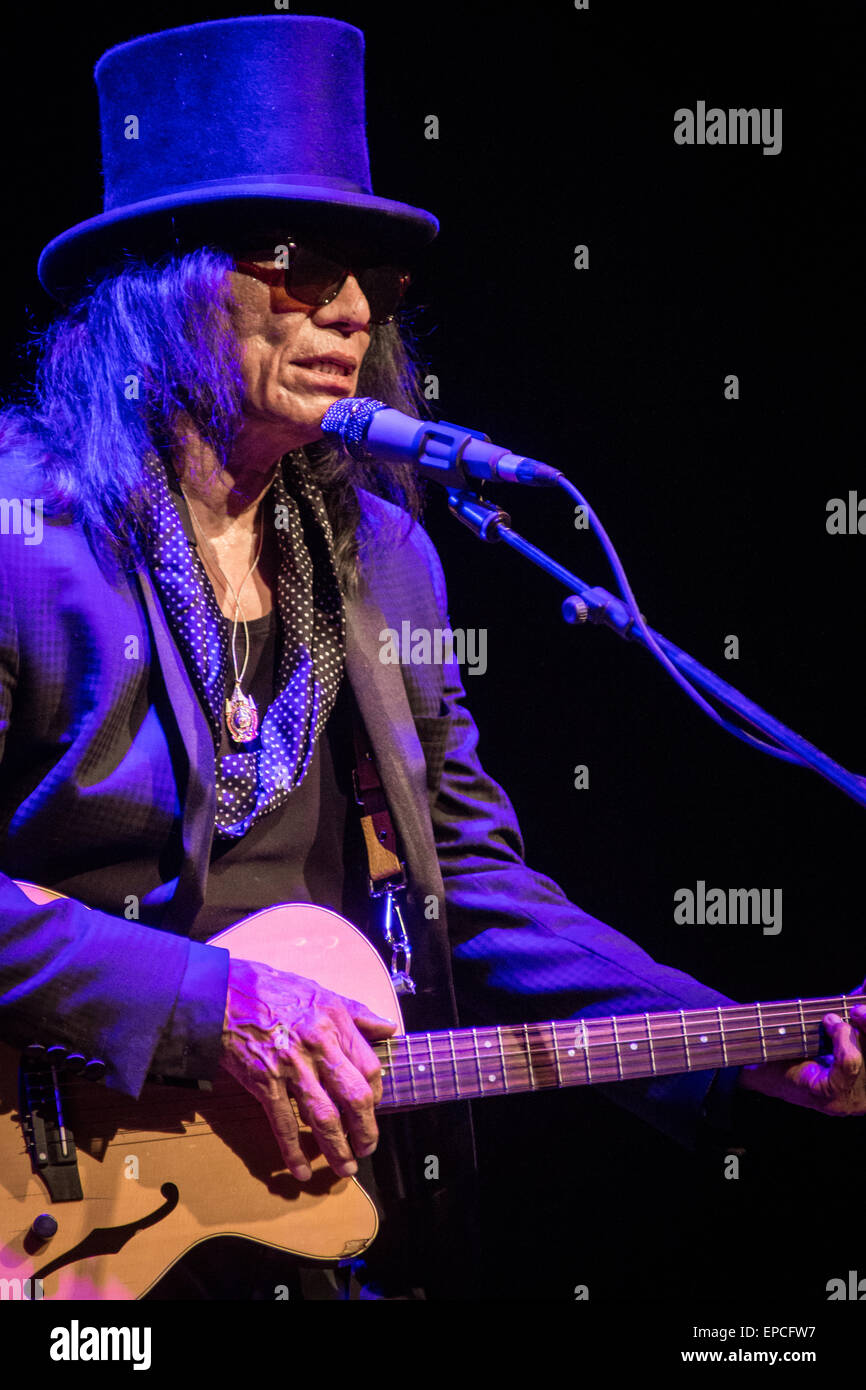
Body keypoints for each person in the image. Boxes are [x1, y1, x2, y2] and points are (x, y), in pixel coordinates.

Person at [1, 15, 864, 1301]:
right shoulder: (24, 541)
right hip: (49, 1220)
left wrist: (736, 1045)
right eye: (299, 263)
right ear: (158, 276)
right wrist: (198, 1002)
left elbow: (468, 879)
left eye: (372, 277)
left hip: (291, 1222)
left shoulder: (386, 556)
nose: (348, 308)